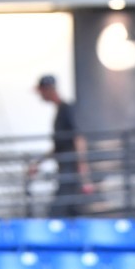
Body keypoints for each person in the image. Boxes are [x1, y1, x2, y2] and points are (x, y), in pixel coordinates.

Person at [28, 74, 93, 217]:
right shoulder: (60, 111)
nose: (40, 95)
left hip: (70, 168)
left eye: (41, 91)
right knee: (72, 211)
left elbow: (78, 138)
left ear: (48, 89)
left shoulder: (66, 109)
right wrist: (38, 162)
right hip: (65, 167)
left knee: (58, 211)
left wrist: (83, 170)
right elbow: (59, 145)